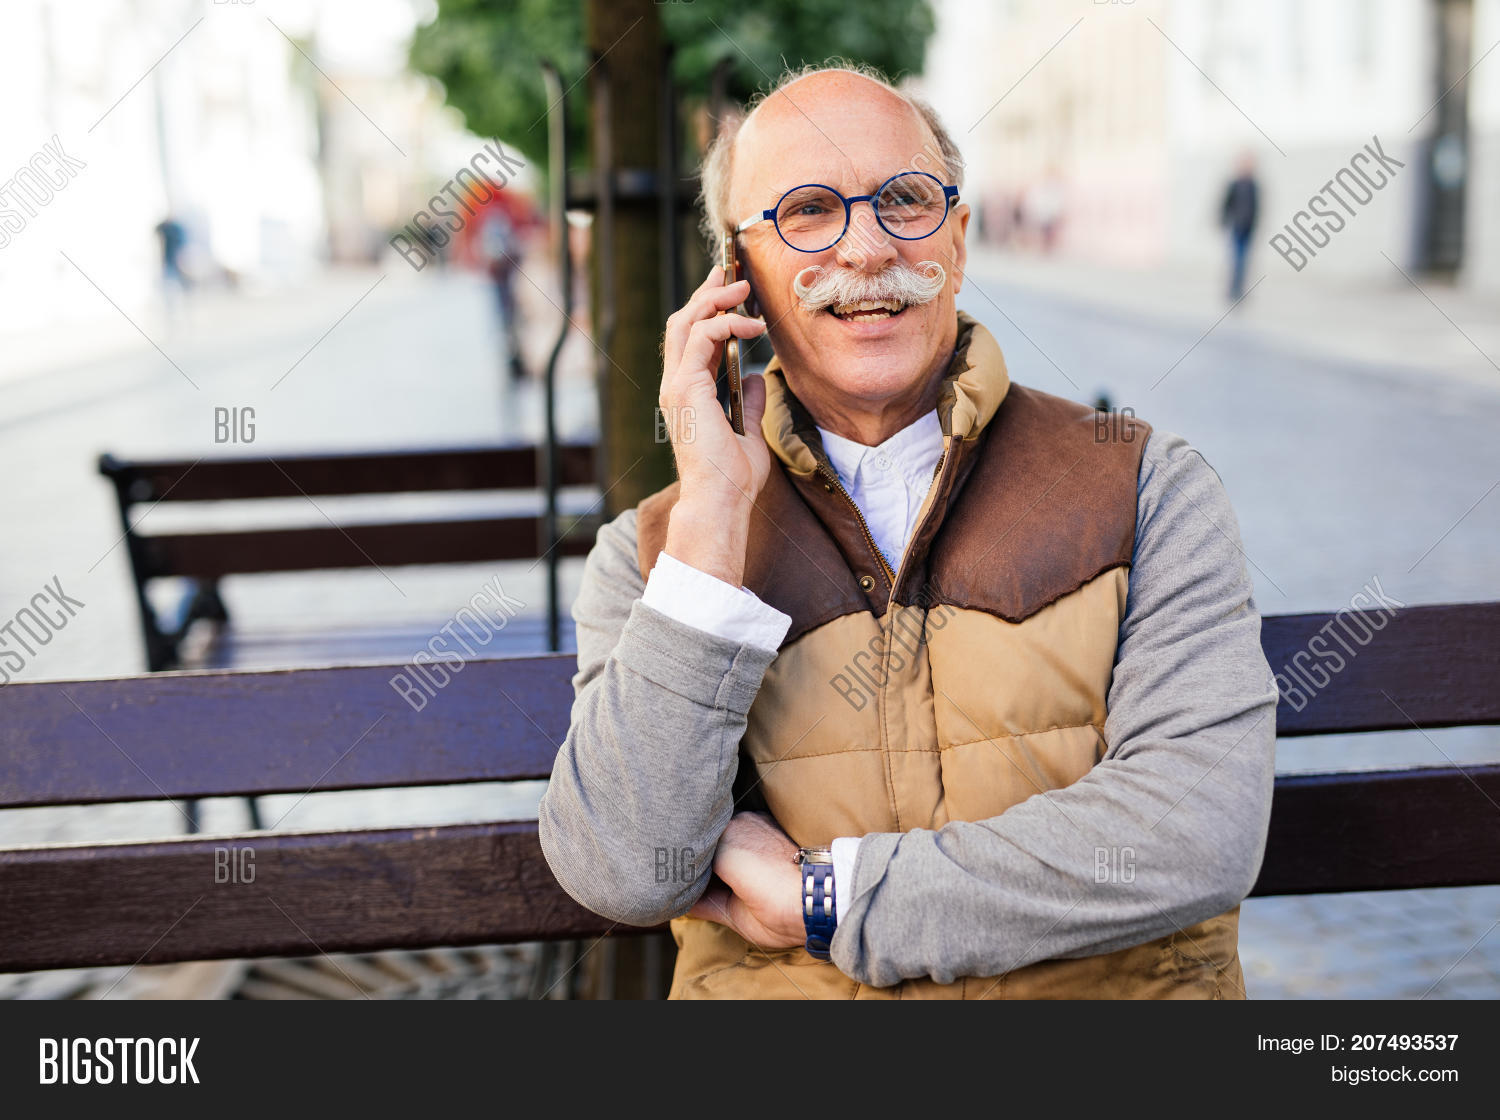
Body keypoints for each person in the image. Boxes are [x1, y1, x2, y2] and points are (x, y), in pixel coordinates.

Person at [539, 64, 1277, 999]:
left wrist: (830, 900)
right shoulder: (655, 557)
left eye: (906, 199)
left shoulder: (1142, 487)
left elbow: (1195, 831)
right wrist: (713, 524)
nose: (867, 247)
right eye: (807, 211)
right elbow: (625, 868)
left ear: (958, 243)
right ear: (738, 274)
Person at [1221, 152, 1259, 301]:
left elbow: (1257, 207)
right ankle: (1233, 289)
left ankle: (1239, 289)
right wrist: (1224, 220)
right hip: (1237, 227)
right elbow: (1226, 204)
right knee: (1236, 259)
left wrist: (1255, 223)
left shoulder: (1253, 185)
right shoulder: (1235, 184)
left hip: (1248, 228)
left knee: (1244, 260)